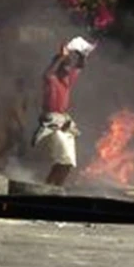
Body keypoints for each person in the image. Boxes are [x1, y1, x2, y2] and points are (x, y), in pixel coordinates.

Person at [32, 39, 92, 186]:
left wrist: (83, 54)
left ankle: (55, 187)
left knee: (69, 162)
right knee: (62, 159)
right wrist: (61, 57)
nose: (67, 71)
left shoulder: (67, 81)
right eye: (65, 67)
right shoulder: (51, 80)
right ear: (58, 69)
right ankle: (48, 188)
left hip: (64, 121)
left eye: (68, 67)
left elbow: (80, 66)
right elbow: (47, 72)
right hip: (52, 121)